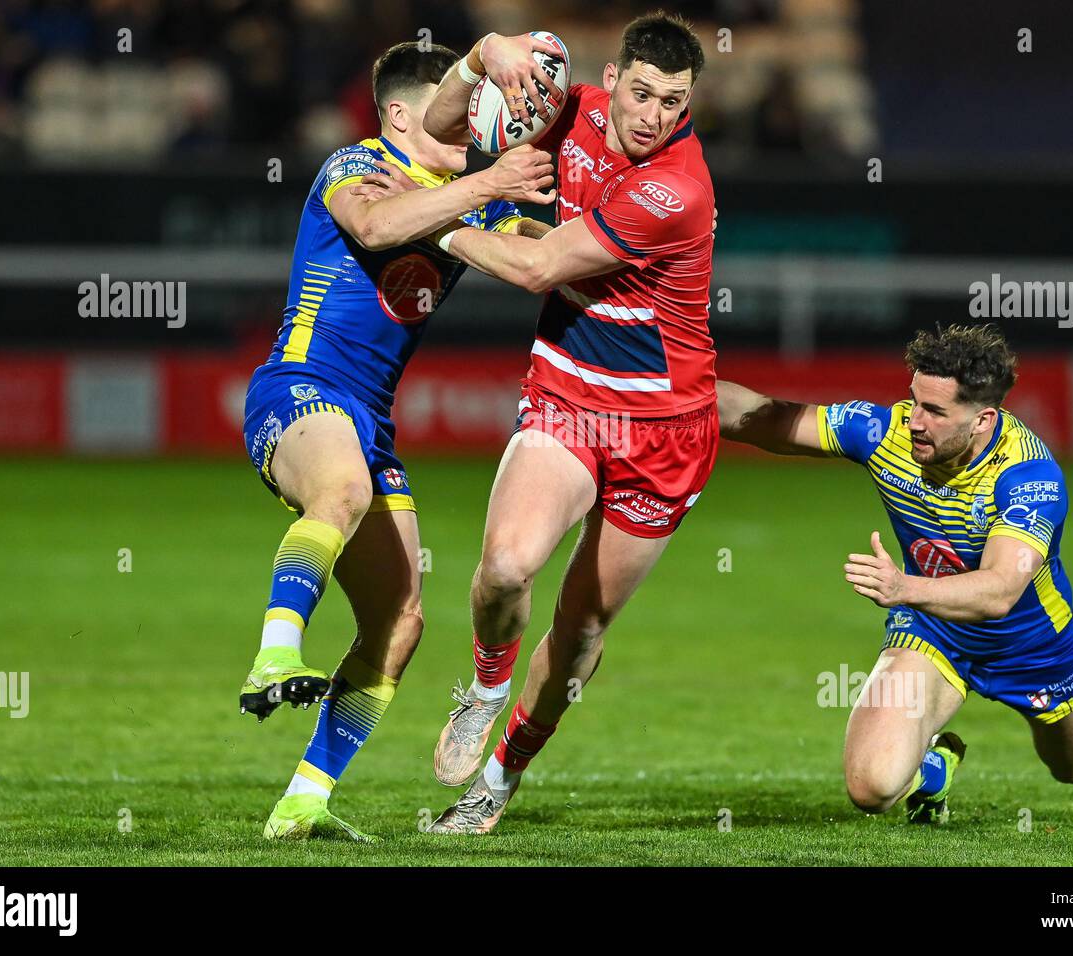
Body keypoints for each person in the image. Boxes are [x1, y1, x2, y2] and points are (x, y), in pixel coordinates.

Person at [238, 40, 555, 841]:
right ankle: (276, 651)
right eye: (456, 122)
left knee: (401, 621)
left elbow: (541, 257)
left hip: (369, 421)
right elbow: (377, 226)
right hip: (300, 388)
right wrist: (486, 181)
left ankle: (304, 802)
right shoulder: (357, 165)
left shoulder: (464, 195)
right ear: (403, 115)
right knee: (339, 488)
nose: (469, 138)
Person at [419, 12, 718, 834]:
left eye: (675, 101)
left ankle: (497, 782)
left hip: (665, 431)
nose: (655, 115)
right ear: (614, 76)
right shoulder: (572, 107)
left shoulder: (678, 187)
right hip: (570, 395)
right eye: (644, 92)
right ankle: (483, 690)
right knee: (508, 567)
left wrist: (437, 217)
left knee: (581, 632)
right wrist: (484, 56)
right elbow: (443, 126)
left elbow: (540, 266)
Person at [717, 324, 1073, 823]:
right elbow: (760, 419)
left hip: (1029, 643)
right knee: (870, 789)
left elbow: (1001, 591)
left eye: (936, 412)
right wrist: (660, 390)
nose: (915, 421)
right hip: (934, 628)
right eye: (914, 401)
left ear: (984, 420)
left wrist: (903, 587)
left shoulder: (1029, 478)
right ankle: (934, 771)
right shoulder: (886, 433)